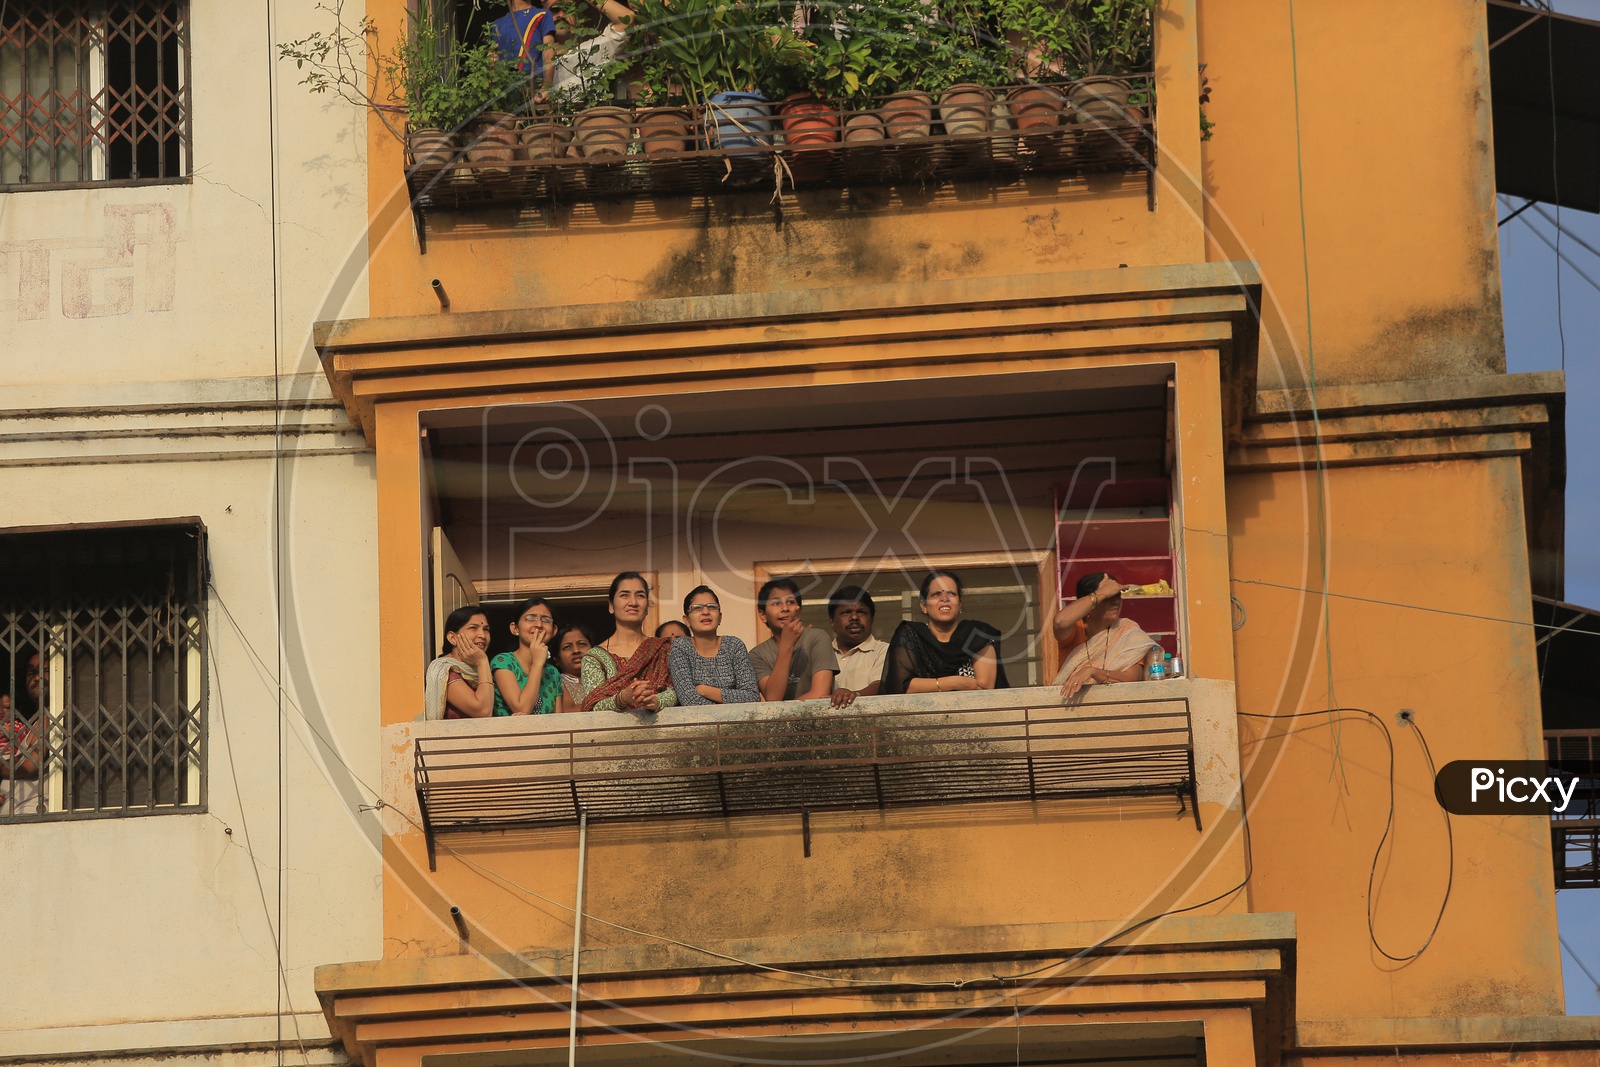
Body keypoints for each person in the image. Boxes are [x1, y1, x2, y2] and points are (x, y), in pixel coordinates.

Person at [880, 570, 1009, 694]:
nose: (944, 599)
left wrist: (927, 686)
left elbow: (984, 689)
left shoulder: (977, 635)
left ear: (960, 604)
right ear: (924, 606)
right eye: (936, 594)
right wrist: (954, 682)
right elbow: (901, 686)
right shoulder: (911, 635)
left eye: (951, 593)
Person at [580, 572, 679, 713]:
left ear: (647, 608)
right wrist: (622, 698)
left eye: (640, 595)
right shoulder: (594, 657)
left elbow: (675, 691)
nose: (633, 602)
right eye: (624, 595)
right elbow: (593, 706)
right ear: (611, 606)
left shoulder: (664, 649)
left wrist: (655, 701)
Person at [748, 577, 851, 705]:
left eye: (790, 602)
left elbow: (820, 695)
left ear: (799, 610)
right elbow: (773, 699)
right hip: (782, 718)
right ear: (763, 615)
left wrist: (782, 710)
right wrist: (787, 644)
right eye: (776, 603)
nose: (785, 608)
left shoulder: (817, 638)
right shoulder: (756, 655)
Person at [1053, 572, 1155, 701]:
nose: (1115, 601)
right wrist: (1101, 593)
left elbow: (1131, 677)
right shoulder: (1075, 629)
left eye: (1117, 596)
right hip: (1071, 706)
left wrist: (1092, 672)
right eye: (1107, 597)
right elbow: (1060, 621)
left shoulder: (1127, 630)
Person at [668, 586, 761, 705]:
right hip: (698, 718)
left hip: (738, 718)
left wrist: (705, 690)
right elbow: (688, 699)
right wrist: (727, 707)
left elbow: (752, 696)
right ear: (687, 620)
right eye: (697, 608)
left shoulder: (734, 646)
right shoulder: (681, 647)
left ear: (720, 617)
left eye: (712, 607)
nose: (706, 612)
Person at [491, 597, 564, 716]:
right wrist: (537, 663)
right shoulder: (503, 662)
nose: (539, 624)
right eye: (530, 618)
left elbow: (559, 720)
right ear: (515, 628)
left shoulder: (552, 673)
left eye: (546, 620)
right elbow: (522, 709)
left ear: (554, 630)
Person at [423, 606, 498, 719]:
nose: (482, 635)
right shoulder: (446, 671)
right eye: (473, 628)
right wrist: (482, 662)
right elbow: (483, 711)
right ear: (452, 638)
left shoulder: (481, 671)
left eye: (486, 629)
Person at [550, 0, 635, 97]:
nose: (561, 15)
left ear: (577, 21)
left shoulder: (591, 51)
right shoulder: (537, 60)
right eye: (554, 10)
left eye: (567, 9)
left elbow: (626, 19)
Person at [828, 586, 886, 698]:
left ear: (872, 619)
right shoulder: (821, 653)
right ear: (832, 622)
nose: (854, 617)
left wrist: (854, 695)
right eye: (846, 612)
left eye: (861, 612)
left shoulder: (884, 651)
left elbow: (881, 685)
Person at [492, 0, 557, 86]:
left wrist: (547, 86)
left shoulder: (542, 14)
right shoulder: (497, 24)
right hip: (505, 86)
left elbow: (549, 52)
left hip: (533, 83)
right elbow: (493, 59)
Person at [0, 692, 41, 817]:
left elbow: (25, 749)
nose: (1, 711)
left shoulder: (19, 726)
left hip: (10, 758)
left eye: (6, 707)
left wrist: (12, 736)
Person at [552, 623, 593, 711]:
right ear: (557, 660)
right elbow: (569, 712)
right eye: (567, 647)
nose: (576, 650)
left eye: (582, 644)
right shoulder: (557, 683)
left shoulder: (606, 677)